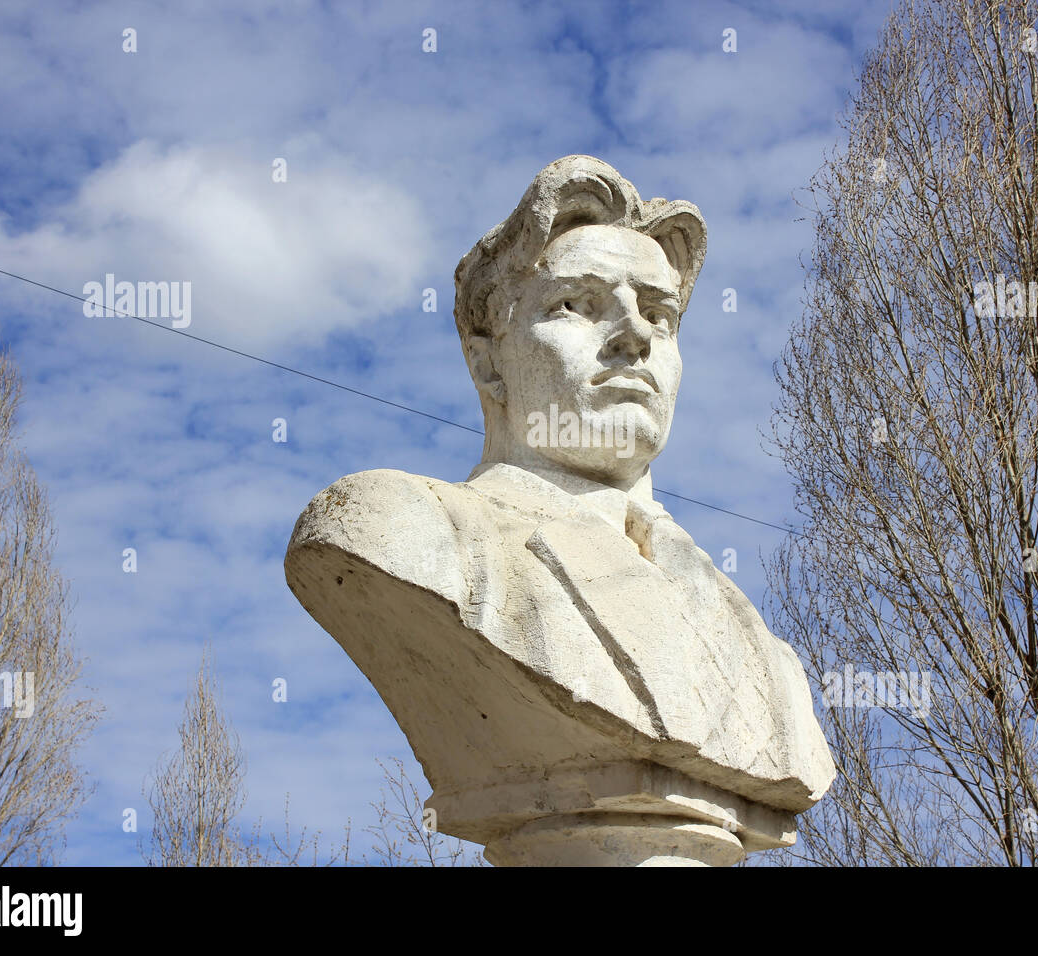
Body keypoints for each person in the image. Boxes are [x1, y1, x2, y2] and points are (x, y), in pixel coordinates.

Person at [286, 156, 833, 861]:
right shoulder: (404, 531)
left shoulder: (758, 644)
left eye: (659, 314)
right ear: (487, 364)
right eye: (577, 303)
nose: (635, 336)